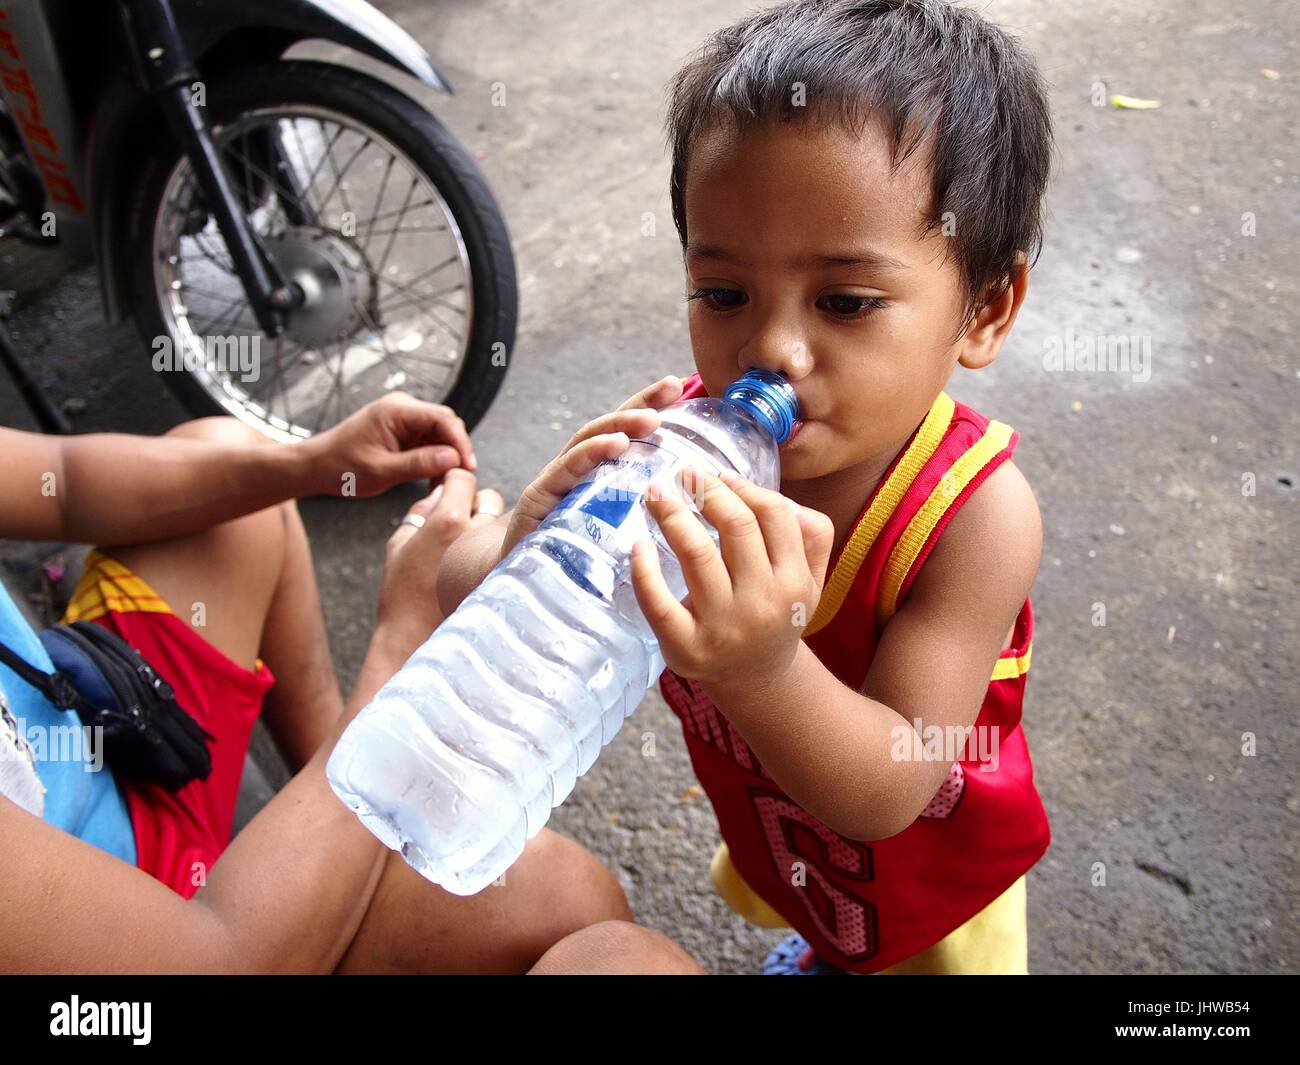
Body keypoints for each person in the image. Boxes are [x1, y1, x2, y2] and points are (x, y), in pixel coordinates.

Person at [438, 0, 1053, 974]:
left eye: (845, 302)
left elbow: (887, 787)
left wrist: (761, 669)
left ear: (985, 307)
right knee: (818, 925)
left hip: (924, 888)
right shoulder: (676, 443)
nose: (769, 347)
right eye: (723, 294)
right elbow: (461, 600)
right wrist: (523, 540)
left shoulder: (973, 519)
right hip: (787, 829)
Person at [0, 391, 702, 974]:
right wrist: (405, 640)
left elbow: (59, 479)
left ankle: (342, 797)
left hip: (92, 762)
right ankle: (355, 790)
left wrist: (313, 462)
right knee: (602, 938)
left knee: (231, 483)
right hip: (141, 964)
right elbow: (214, 961)